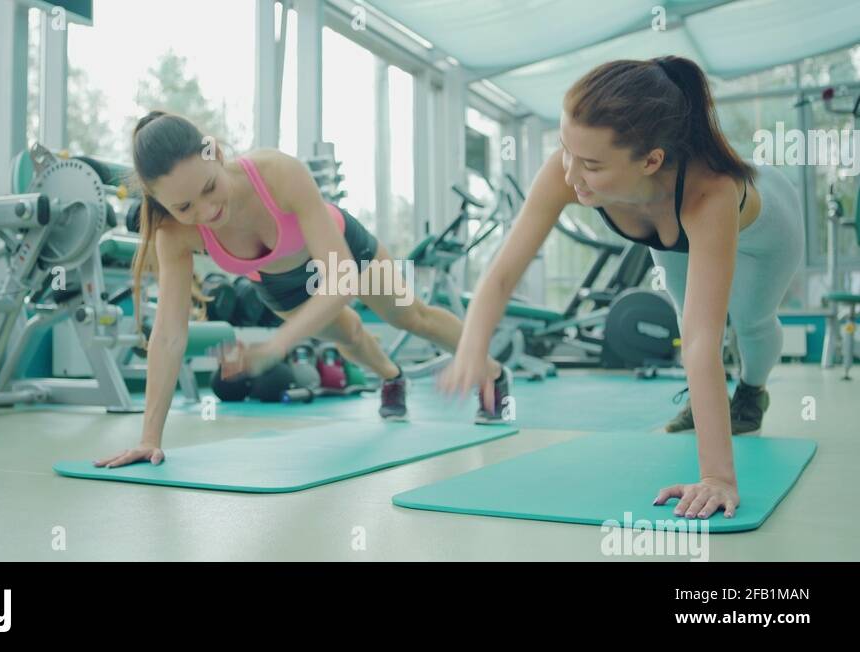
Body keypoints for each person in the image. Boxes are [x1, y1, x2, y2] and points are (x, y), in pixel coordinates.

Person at [439, 56, 804, 520]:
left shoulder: (711, 193)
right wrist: (472, 345)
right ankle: (705, 402)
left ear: (651, 161)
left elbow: (701, 341)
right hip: (670, 227)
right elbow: (503, 272)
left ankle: (752, 391)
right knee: (681, 311)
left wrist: (716, 479)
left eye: (590, 164)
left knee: (750, 320)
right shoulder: (568, 169)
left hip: (769, 229)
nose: (569, 174)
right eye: (565, 149)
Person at [97, 111, 511, 469]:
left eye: (208, 188)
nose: (206, 212)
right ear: (160, 202)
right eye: (185, 207)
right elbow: (169, 334)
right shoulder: (173, 234)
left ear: (215, 154)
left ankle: (491, 371)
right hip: (280, 284)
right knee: (347, 334)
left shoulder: (277, 172)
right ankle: (392, 377)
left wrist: (276, 346)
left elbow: (342, 277)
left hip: (344, 249)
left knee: (408, 315)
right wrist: (150, 436)